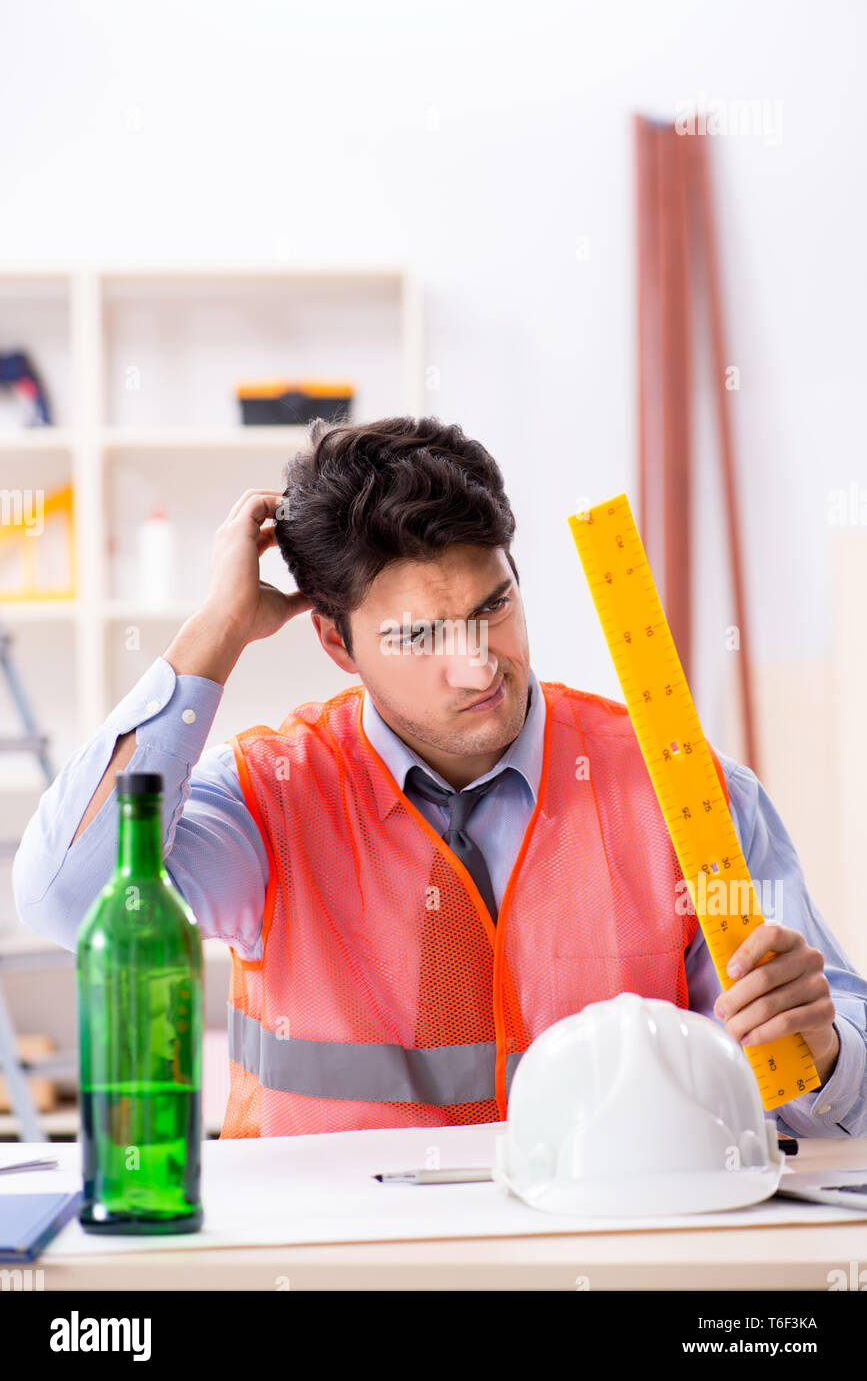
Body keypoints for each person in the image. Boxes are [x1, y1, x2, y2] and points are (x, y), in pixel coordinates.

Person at [12, 416, 867, 1138]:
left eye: (492, 607)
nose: (477, 668)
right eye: (420, 637)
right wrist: (215, 631)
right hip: (333, 1272)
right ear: (337, 644)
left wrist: (817, 1052)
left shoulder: (685, 793)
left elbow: (838, 1102)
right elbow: (72, 897)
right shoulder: (268, 801)